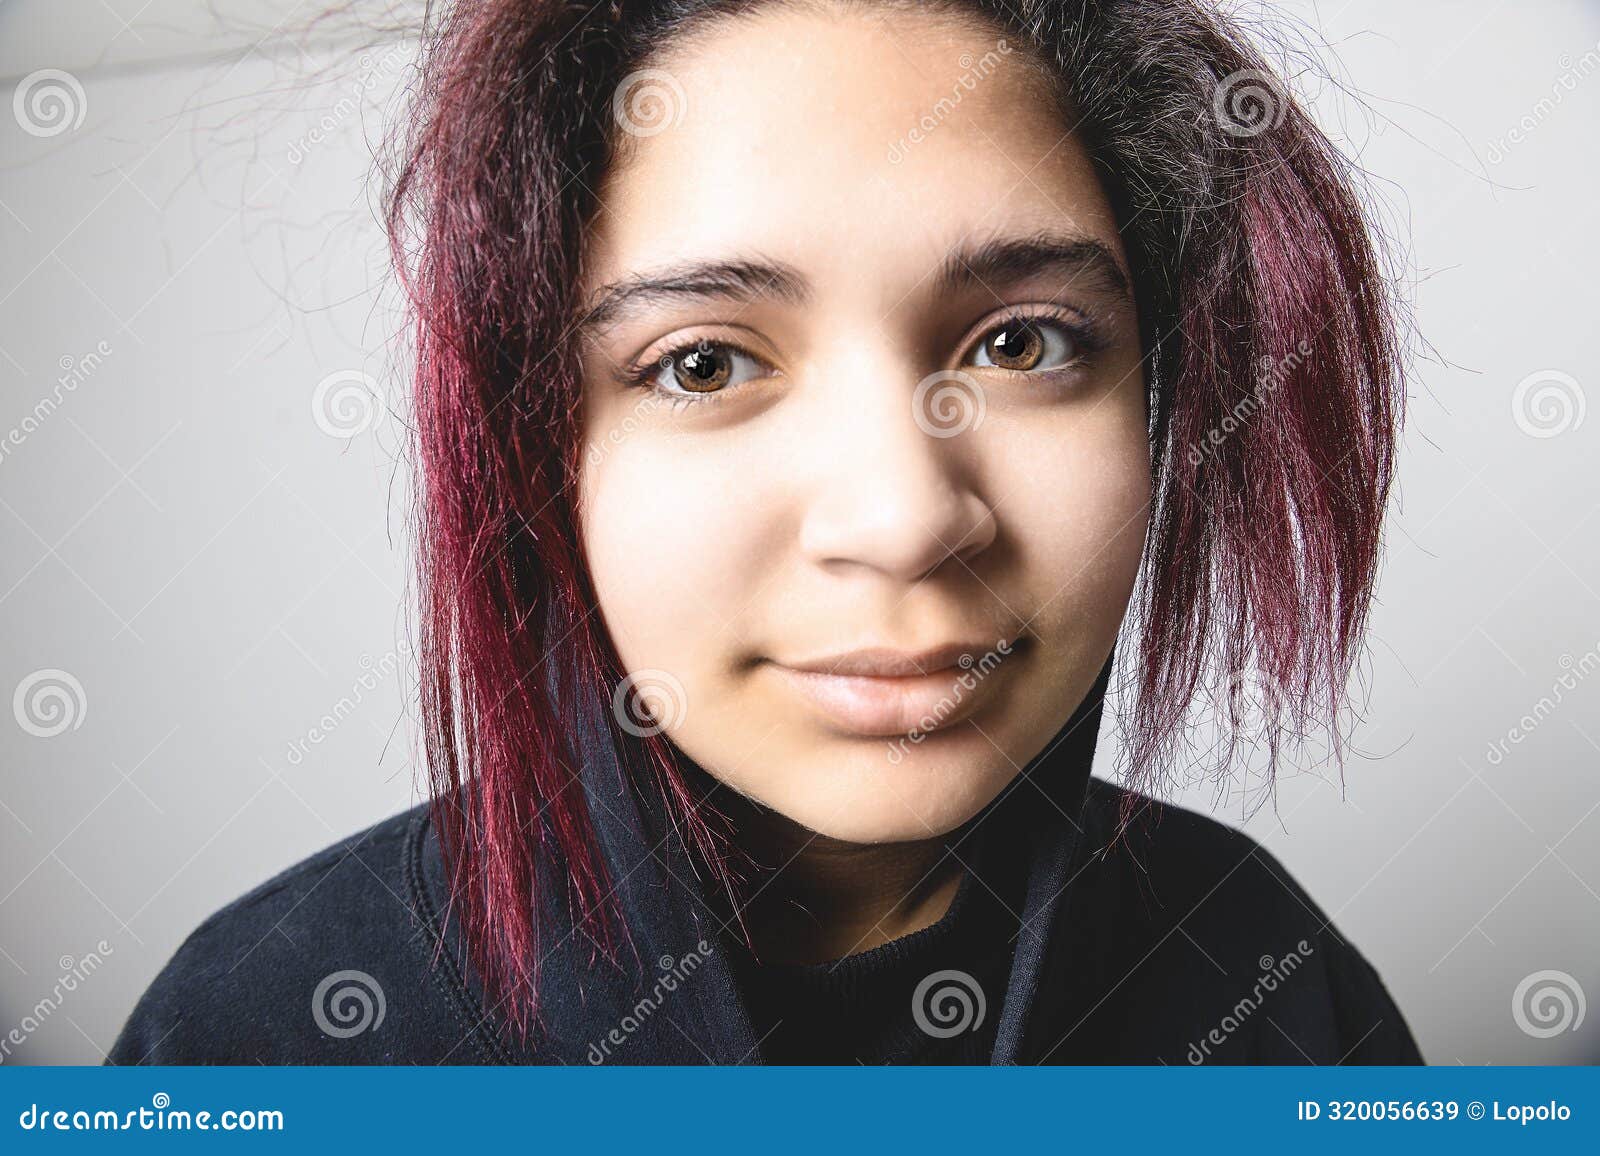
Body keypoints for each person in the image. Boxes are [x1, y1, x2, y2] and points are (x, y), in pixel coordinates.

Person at [109, 0, 1420, 1065]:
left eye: (1023, 343)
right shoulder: (264, 1037)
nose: (905, 520)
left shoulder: (1272, 996)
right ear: (537, 444)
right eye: (704, 365)